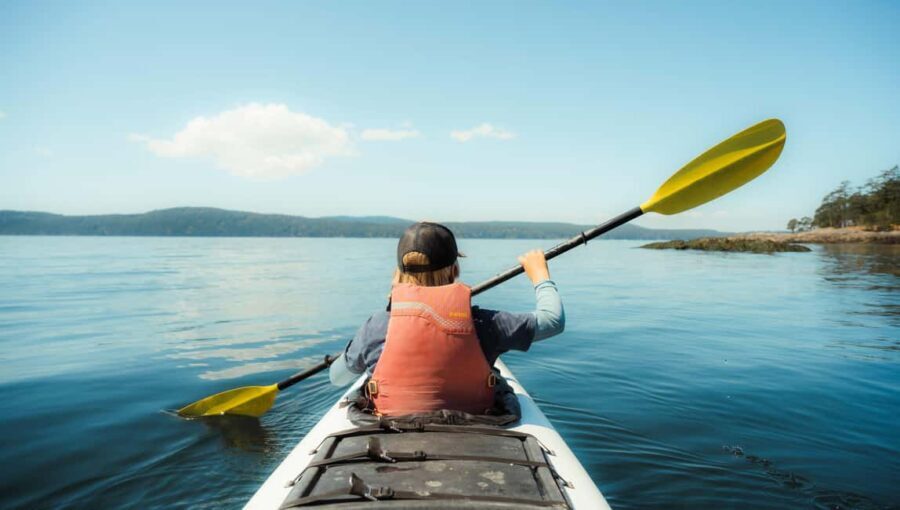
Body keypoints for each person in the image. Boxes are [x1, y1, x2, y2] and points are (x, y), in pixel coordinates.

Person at [329, 221, 565, 417]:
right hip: (476, 424)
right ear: (454, 270)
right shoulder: (486, 324)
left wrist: (353, 349)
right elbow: (553, 320)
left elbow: (337, 377)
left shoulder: (376, 326)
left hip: (393, 427)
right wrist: (539, 274)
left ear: (400, 271)